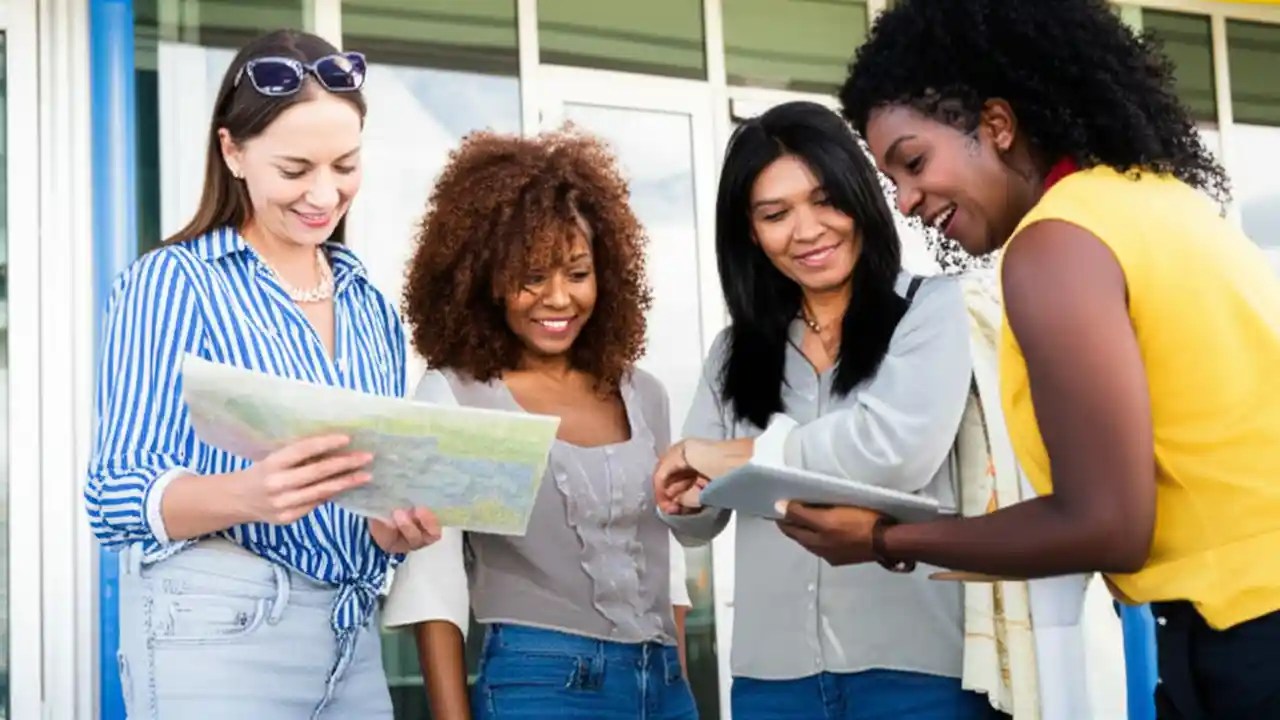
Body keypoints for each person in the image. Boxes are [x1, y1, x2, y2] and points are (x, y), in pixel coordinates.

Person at [769, 1, 1280, 718]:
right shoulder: (1161, 203)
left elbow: (1108, 525)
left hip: (1250, 640)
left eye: (914, 163)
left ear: (998, 125)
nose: (906, 202)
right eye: (892, 182)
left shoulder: (1056, 244)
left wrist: (884, 537)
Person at [84, 30, 441, 719]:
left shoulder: (369, 305)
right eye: (295, 168)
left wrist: (387, 532)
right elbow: (112, 496)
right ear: (233, 152)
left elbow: (361, 493)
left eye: (345, 165)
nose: (324, 193)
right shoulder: (175, 282)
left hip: (351, 635)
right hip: (220, 631)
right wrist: (249, 494)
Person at [653, 100, 1000, 719]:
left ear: (859, 196)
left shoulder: (933, 309)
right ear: (750, 233)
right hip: (772, 682)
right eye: (775, 215)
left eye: (825, 200)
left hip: (916, 673)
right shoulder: (734, 351)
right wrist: (685, 500)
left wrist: (729, 457)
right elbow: (698, 517)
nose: (807, 230)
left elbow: (893, 452)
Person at [383, 128, 698, 720]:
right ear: (486, 278)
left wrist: (677, 686)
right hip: (541, 685)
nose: (558, 299)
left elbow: (668, 564)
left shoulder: (644, 394)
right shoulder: (454, 396)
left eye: (577, 274)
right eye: (531, 276)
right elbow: (434, 586)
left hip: (663, 684)